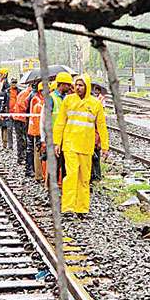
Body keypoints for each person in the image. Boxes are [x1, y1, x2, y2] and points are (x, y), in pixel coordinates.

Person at [52, 76, 108, 215]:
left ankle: (82, 208)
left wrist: (105, 146)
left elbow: (101, 126)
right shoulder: (68, 101)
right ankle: (68, 207)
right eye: (76, 85)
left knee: (84, 178)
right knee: (71, 176)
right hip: (70, 144)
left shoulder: (95, 104)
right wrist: (56, 142)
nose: (78, 88)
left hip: (86, 146)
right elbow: (60, 123)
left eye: (81, 85)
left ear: (87, 87)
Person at [11, 80, 33, 168]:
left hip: (19, 118)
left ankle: (21, 157)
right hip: (21, 119)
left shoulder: (25, 92)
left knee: (21, 138)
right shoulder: (27, 93)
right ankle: (21, 157)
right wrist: (28, 109)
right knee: (22, 139)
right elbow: (21, 104)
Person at [28, 81, 45, 181]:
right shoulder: (38, 102)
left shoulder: (39, 100)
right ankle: (39, 175)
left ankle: (40, 174)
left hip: (37, 130)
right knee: (38, 153)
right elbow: (38, 119)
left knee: (38, 153)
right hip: (38, 131)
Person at [0, 77, 13, 150]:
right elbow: (6, 105)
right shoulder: (7, 95)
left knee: (2, 128)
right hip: (5, 113)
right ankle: (6, 143)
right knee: (6, 128)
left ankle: (3, 144)